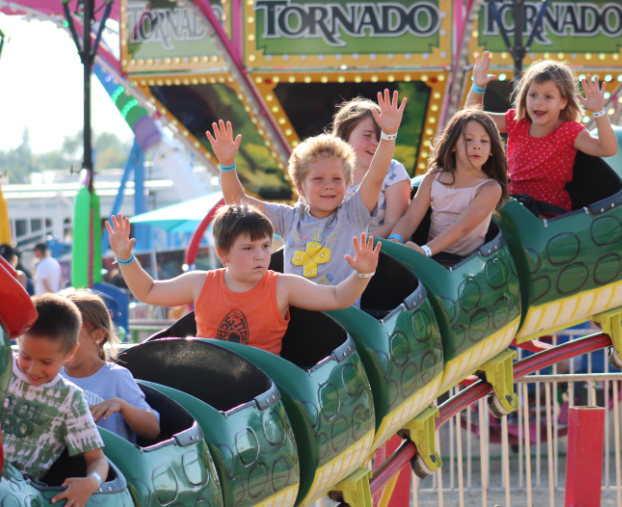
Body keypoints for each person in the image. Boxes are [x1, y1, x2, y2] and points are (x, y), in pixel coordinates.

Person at [106, 205, 381, 356]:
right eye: (248, 249)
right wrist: (126, 258)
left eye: (264, 246)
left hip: (262, 387)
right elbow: (149, 291)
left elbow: (337, 297)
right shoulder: (200, 282)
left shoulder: (282, 286)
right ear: (223, 253)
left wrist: (363, 273)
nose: (261, 255)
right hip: (208, 376)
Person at [205, 90, 405, 288]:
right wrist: (227, 163)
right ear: (300, 187)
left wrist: (389, 135)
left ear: (347, 184)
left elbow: (377, 175)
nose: (329, 185)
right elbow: (238, 203)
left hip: (340, 315)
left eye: (337, 179)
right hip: (297, 313)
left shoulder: (353, 213)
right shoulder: (289, 218)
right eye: (318, 178)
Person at [1, 294, 109, 507]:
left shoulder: (70, 399)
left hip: (17, 497)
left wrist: (91, 483)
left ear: (69, 353)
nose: (33, 369)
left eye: (46, 362)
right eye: (26, 356)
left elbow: (98, 460)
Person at [466, 53, 618, 217]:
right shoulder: (517, 122)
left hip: (547, 213)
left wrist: (598, 111)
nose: (539, 102)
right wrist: (478, 86)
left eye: (548, 96)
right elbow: (473, 119)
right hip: (513, 204)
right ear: (525, 98)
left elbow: (607, 149)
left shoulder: (569, 131)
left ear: (563, 102)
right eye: (533, 95)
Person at [387, 109, 507, 262]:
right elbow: (411, 218)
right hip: (430, 253)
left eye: (484, 141)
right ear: (453, 145)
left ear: (491, 150)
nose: (477, 146)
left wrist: (424, 251)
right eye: (469, 139)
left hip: (461, 262)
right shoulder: (434, 176)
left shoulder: (490, 188)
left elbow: (461, 227)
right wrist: (395, 240)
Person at [62, 289, 160, 444]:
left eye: (70, 332)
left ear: (98, 336)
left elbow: (153, 429)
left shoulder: (116, 376)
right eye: (55, 332)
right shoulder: (52, 375)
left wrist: (122, 406)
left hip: (111, 465)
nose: (61, 341)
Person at [331, 97, 411, 237]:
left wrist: (353, 244)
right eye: (367, 135)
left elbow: (394, 225)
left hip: (377, 249)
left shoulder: (394, 171)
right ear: (344, 135)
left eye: (382, 137)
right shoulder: (327, 169)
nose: (375, 142)